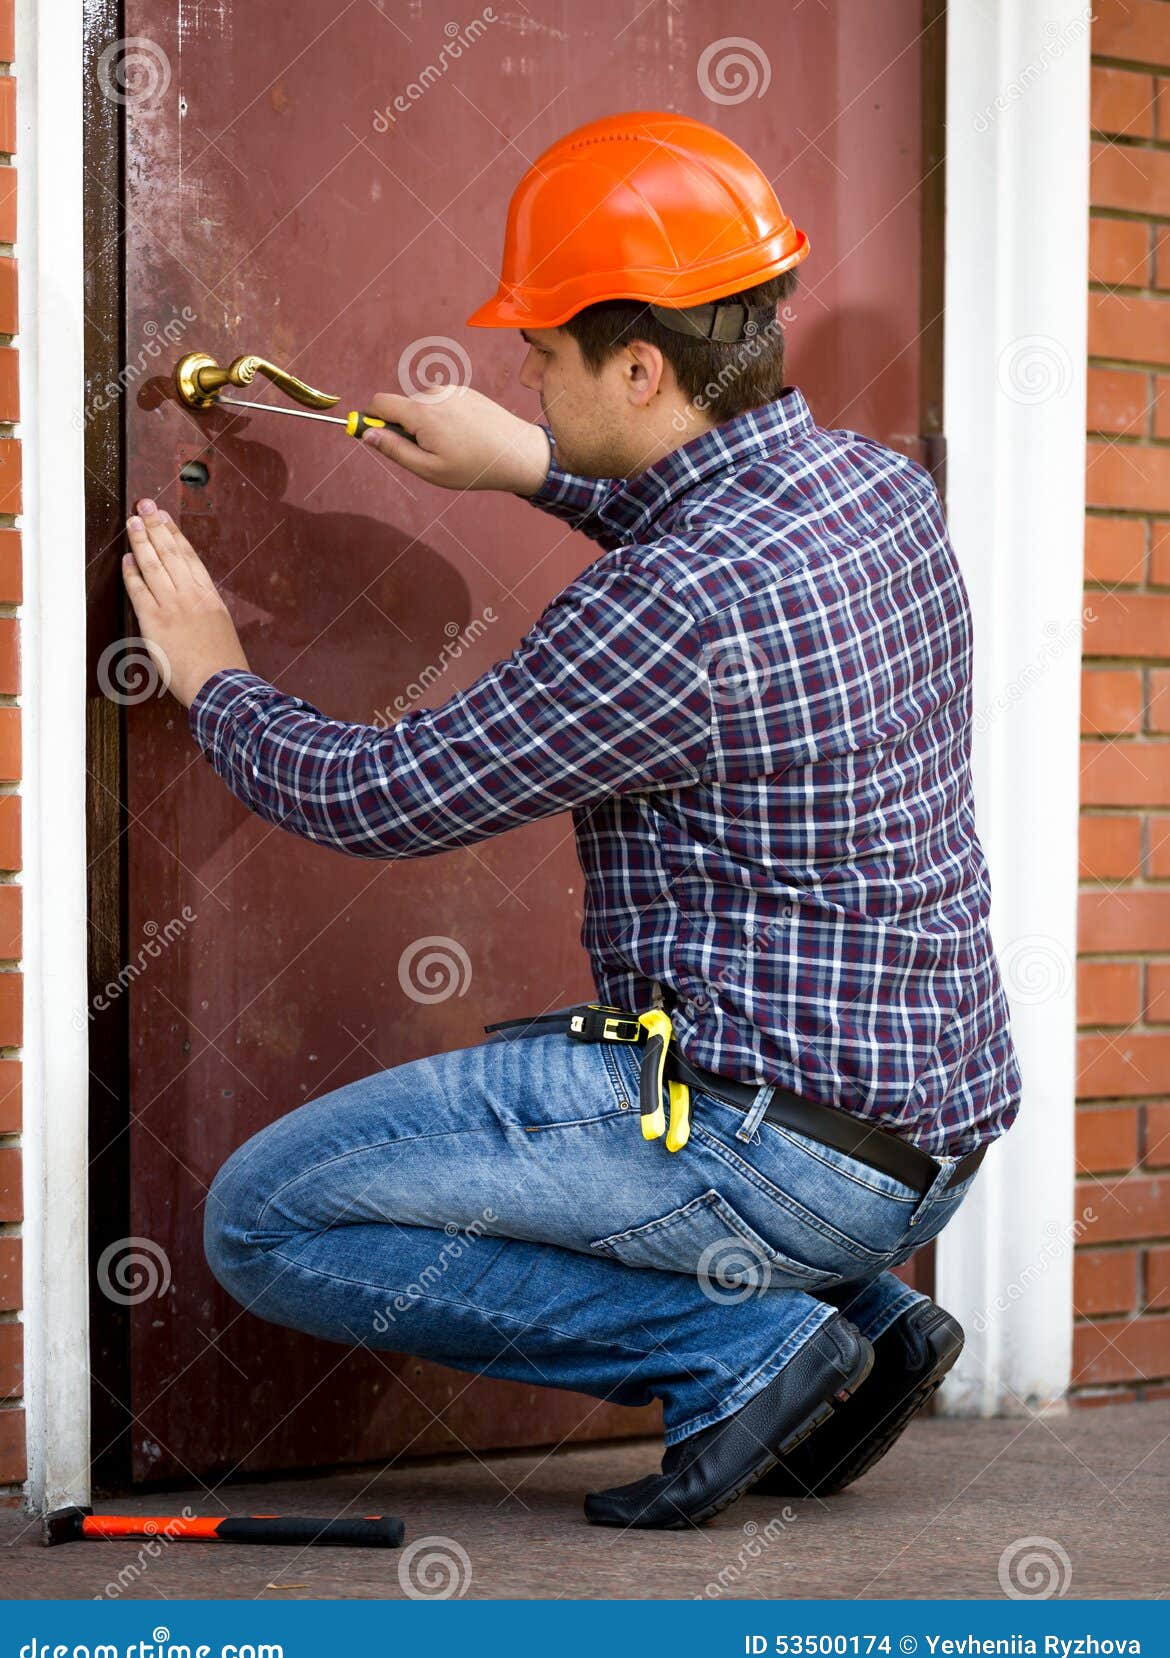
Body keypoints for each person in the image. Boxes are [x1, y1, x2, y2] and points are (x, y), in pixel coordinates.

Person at [121, 111, 1022, 1531]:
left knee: (263, 1215)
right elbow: (717, 544)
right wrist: (529, 465)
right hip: (929, 1155)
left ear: (641, 365)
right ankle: (869, 1317)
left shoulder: (659, 612)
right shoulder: (876, 489)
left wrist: (217, 677)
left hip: (766, 1150)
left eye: (542, 355)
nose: (523, 374)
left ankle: (746, 1349)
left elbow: (386, 794)